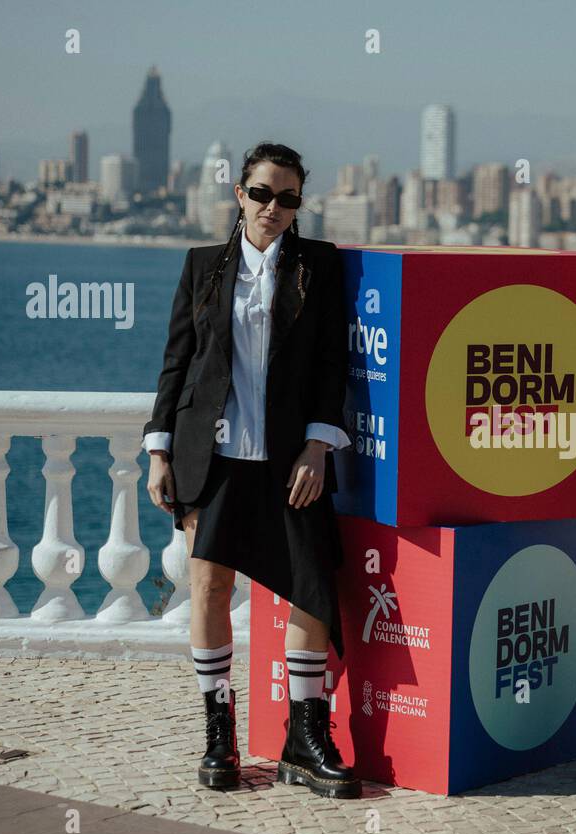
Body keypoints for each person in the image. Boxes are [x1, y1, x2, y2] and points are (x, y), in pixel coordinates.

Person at [143, 142, 360, 799]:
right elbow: (176, 360)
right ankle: (219, 731)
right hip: (210, 459)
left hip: (291, 459)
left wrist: (319, 446)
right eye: (263, 193)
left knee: (310, 590)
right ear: (239, 194)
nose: (274, 207)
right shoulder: (202, 267)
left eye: (288, 197)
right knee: (208, 589)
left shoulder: (318, 267)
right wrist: (158, 449)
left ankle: (304, 739)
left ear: (299, 205)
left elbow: (331, 364)